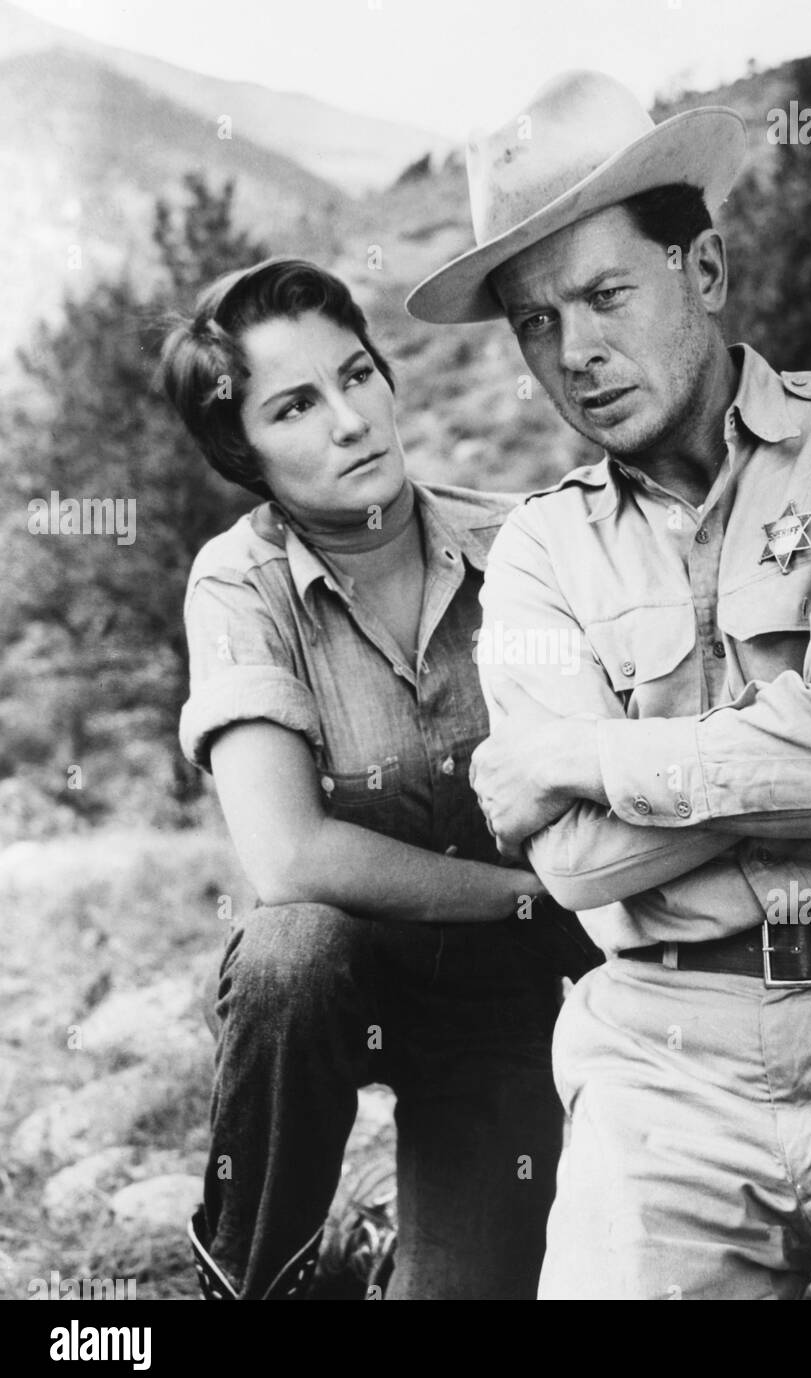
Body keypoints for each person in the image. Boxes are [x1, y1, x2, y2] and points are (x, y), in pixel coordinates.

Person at [406, 70, 811, 1299]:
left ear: (700, 271)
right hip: (662, 1068)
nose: (575, 353)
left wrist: (581, 758)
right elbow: (580, 868)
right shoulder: (540, 549)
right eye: (535, 323)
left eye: (602, 295)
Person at [159, 256, 600, 1301]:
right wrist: (528, 894)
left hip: (498, 1001)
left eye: (357, 376)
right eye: (296, 406)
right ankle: (256, 1278)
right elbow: (289, 851)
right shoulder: (240, 580)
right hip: (347, 975)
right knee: (290, 953)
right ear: (242, 449)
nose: (350, 420)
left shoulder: (523, 542)